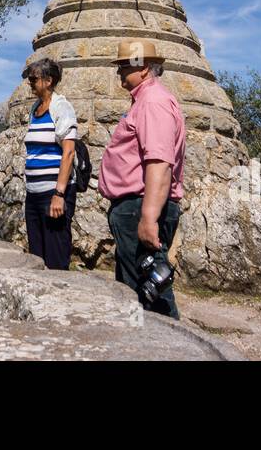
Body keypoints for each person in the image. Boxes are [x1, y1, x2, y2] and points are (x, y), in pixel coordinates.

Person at [96, 39, 186, 318]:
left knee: (151, 299)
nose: (119, 73)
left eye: (124, 66)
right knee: (136, 296)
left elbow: (159, 162)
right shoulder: (147, 101)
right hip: (136, 208)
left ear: (144, 68)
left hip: (140, 209)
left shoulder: (152, 102)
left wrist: (148, 218)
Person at [20, 57, 79, 269]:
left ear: (49, 81)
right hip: (33, 195)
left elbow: (69, 152)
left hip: (53, 195)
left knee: (55, 258)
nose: (30, 83)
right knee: (37, 257)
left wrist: (59, 194)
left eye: (34, 78)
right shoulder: (35, 109)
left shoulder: (61, 108)